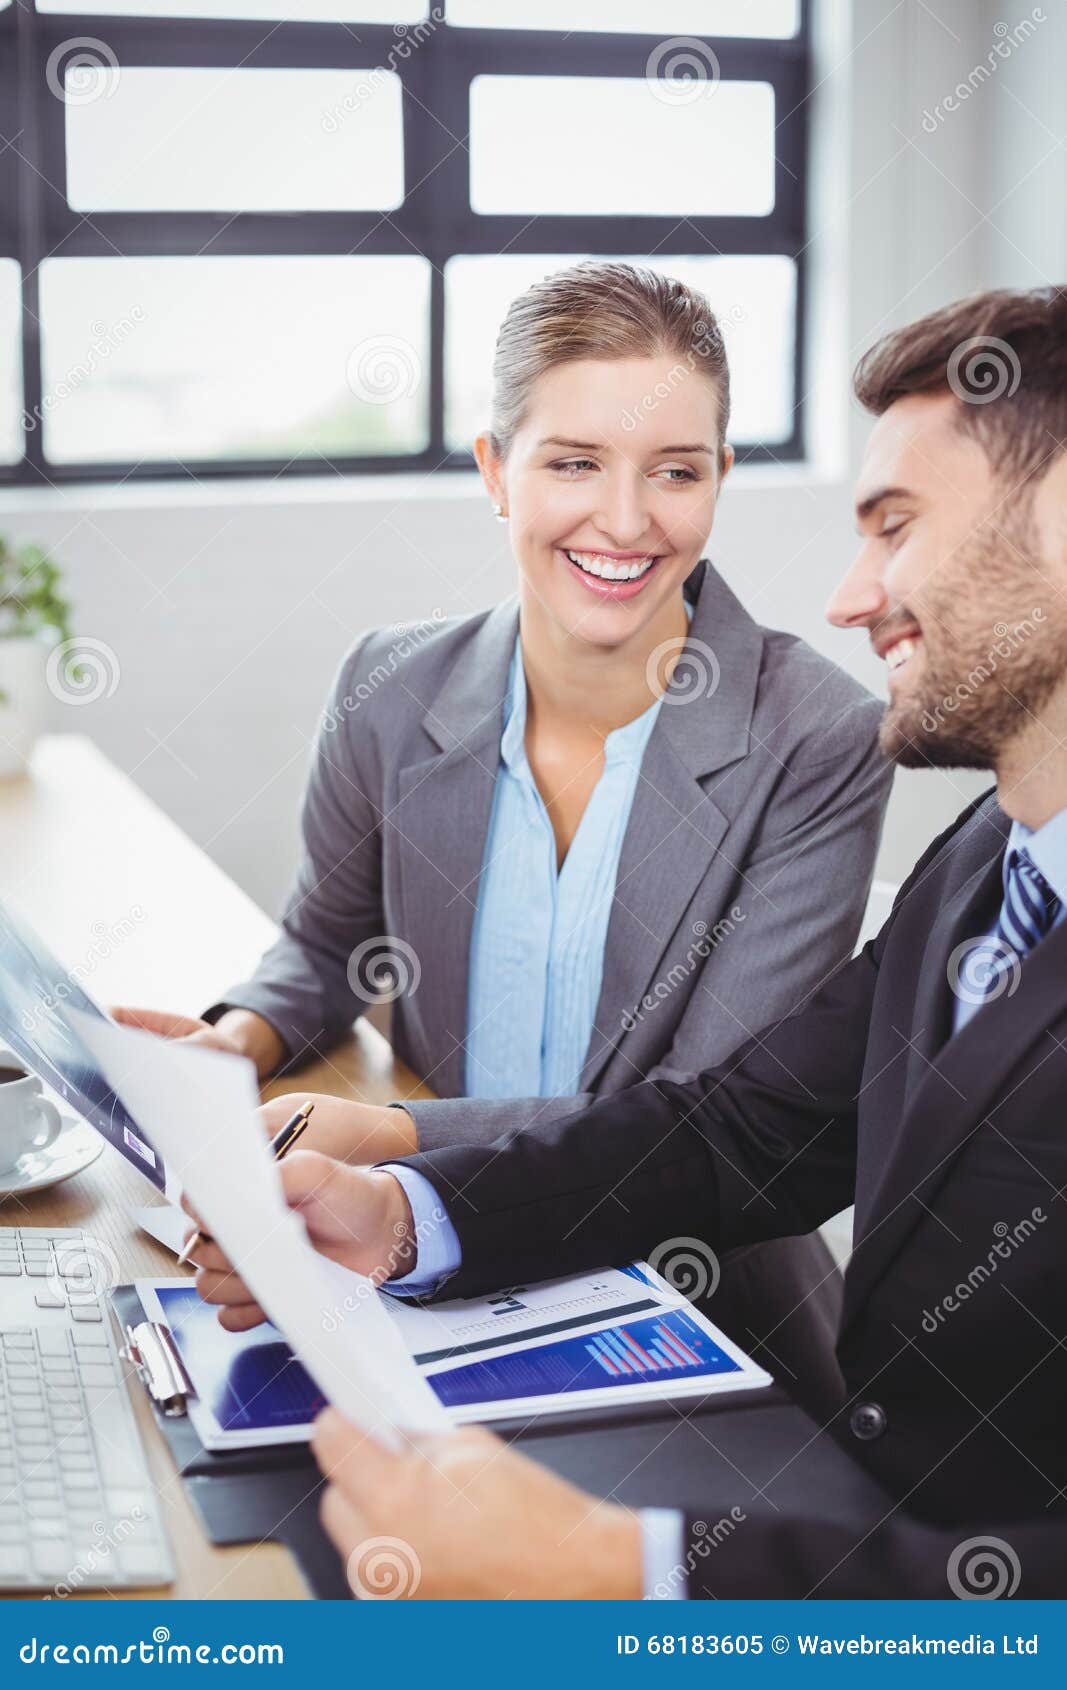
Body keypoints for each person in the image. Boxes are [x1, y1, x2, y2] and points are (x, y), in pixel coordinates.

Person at [192, 285, 1067, 1599]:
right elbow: (737, 1129)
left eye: (893, 526)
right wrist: (400, 1214)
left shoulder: (826, 747)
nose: (845, 596)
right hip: (853, 1523)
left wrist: (618, 1566)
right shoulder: (986, 863)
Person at [117, 262, 891, 1413]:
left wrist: (394, 1132)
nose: (624, 521)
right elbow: (330, 938)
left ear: (718, 480)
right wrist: (240, 1040)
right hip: (396, 1266)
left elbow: (710, 1111)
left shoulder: (817, 734)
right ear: (495, 469)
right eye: (572, 462)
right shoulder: (387, 684)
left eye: (673, 472)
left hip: (689, 1295)